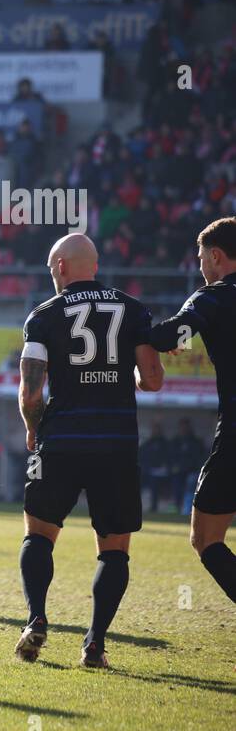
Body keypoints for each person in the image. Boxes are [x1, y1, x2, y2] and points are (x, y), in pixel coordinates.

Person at [15, 234, 163, 668]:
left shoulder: (43, 315)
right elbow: (152, 380)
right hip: (116, 443)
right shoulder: (133, 309)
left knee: (38, 534)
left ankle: (36, 619)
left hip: (61, 440)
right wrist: (129, 376)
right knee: (114, 548)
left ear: (61, 265)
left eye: (49, 269)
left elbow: (29, 392)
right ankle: (94, 644)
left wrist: (32, 429)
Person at [146, 217, 236, 604]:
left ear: (215, 256)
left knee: (205, 539)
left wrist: (133, 330)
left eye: (201, 258)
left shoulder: (212, 297)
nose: (200, 266)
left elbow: (173, 336)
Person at [139, 422, 172, 513]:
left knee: (154, 481)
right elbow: (141, 457)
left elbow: (169, 458)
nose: (156, 431)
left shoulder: (165, 444)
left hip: (161, 472)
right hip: (148, 471)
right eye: (154, 429)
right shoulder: (147, 444)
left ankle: (154, 507)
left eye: (157, 429)